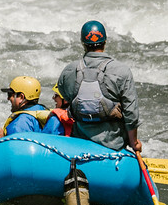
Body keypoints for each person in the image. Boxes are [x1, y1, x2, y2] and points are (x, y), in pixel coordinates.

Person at [55, 20, 142, 153]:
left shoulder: (69, 70)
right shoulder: (121, 70)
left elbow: (65, 94)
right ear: (105, 41)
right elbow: (131, 113)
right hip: (113, 145)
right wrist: (134, 143)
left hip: (79, 143)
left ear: (83, 43)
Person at [0, 76, 65, 139]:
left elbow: (16, 153)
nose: (8, 98)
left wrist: (1, 140)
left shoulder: (19, 124)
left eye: (10, 95)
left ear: (21, 97)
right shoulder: (43, 111)